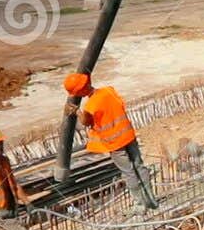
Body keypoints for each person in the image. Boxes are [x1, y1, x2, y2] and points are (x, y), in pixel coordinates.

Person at [63, 72, 158, 211]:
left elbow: (85, 122)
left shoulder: (90, 105)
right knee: (140, 166)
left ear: (81, 92)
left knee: (129, 173)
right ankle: (151, 200)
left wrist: (76, 112)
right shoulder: (109, 90)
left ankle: (140, 205)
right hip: (128, 135)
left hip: (115, 143)